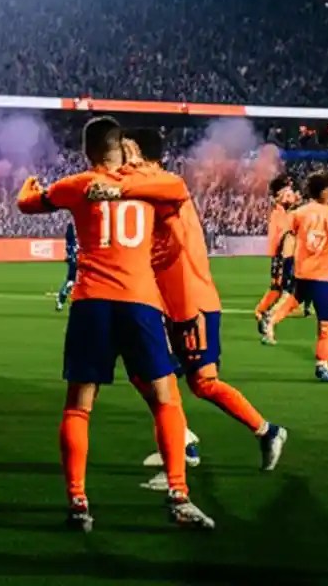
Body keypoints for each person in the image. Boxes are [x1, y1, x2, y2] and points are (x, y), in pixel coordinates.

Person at [16, 115, 214, 532]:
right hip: (140, 302)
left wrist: (29, 184)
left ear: (87, 152)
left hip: (92, 303)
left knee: (79, 406)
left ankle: (78, 502)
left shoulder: (77, 185)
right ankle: (179, 495)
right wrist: (126, 185)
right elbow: (177, 189)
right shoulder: (149, 187)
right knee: (166, 399)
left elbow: (28, 203)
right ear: (121, 147)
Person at [99, 128, 287, 475]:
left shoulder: (161, 183)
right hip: (168, 302)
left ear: (135, 150)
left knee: (199, 382)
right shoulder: (147, 187)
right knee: (147, 372)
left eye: (124, 149)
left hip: (189, 301)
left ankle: (265, 431)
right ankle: (183, 441)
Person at [289, 170, 328, 383]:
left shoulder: (300, 212)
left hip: (303, 270)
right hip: (326, 274)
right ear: (324, 192)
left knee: (296, 301)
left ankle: (271, 319)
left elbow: (288, 235)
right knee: (326, 324)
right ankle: (323, 365)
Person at [256, 175, 301, 345]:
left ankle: (262, 314)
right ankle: (268, 317)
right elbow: (285, 236)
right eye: (287, 194)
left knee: (279, 288)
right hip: (285, 256)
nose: (292, 197)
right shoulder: (280, 214)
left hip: (283, 256)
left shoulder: (281, 212)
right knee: (287, 291)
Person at [55, 223, 78, 311]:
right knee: (70, 283)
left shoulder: (72, 243)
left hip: (77, 266)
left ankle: (61, 301)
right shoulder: (73, 243)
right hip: (75, 267)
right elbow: (69, 237)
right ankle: (61, 301)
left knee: (70, 284)